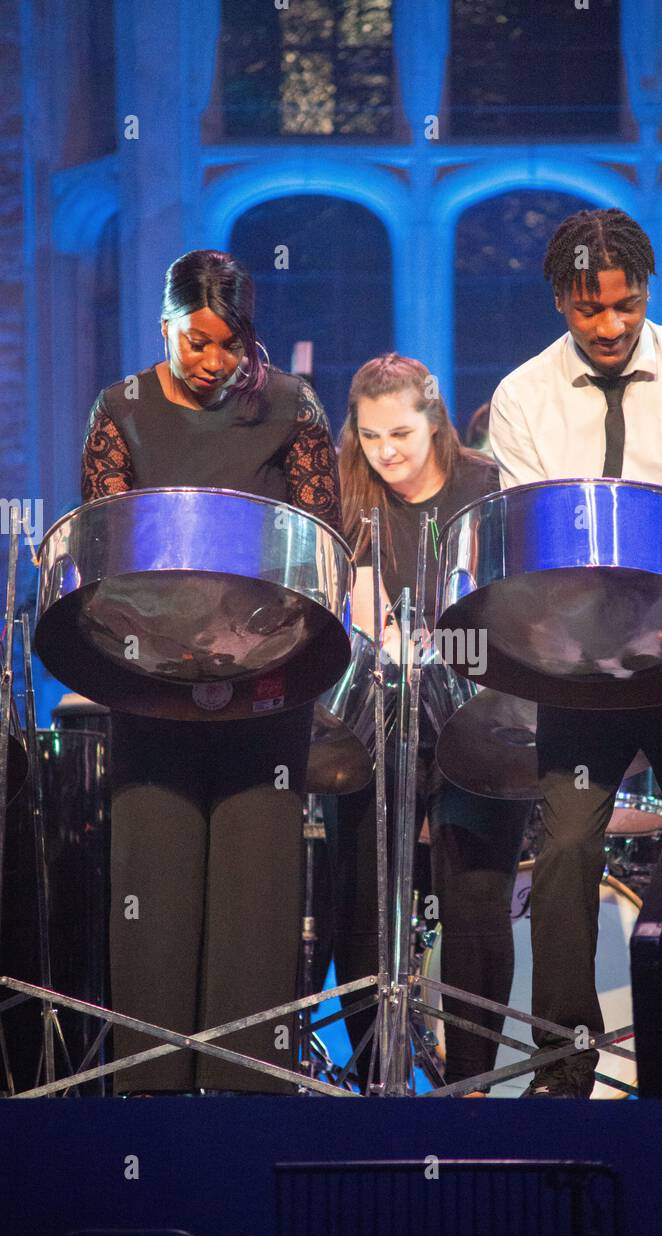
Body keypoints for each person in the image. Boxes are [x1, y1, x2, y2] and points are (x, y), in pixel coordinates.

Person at [489, 207, 662, 1098]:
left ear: (648, 290)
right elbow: (531, 547)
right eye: (585, 309)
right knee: (565, 848)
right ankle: (562, 1064)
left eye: (625, 304)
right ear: (558, 301)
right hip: (576, 663)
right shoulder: (523, 395)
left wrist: (661, 621)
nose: (608, 327)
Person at [80, 248, 343, 1095]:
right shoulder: (119, 409)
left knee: (254, 901)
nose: (214, 362)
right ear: (165, 326)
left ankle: (246, 1099)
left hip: (264, 681)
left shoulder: (292, 406)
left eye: (231, 345)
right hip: (150, 679)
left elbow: (320, 545)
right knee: (150, 894)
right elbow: (101, 545)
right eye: (196, 342)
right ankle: (150, 1109)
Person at [324, 353, 530, 1095]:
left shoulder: (486, 485)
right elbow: (356, 605)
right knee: (363, 894)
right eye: (371, 435)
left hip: (478, 713)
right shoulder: (351, 486)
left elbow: (509, 607)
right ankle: (377, 1079)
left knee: (475, 896)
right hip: (382, 711)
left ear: (435, 421)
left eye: (402, 434)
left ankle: (469, 1088)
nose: (387, 453)